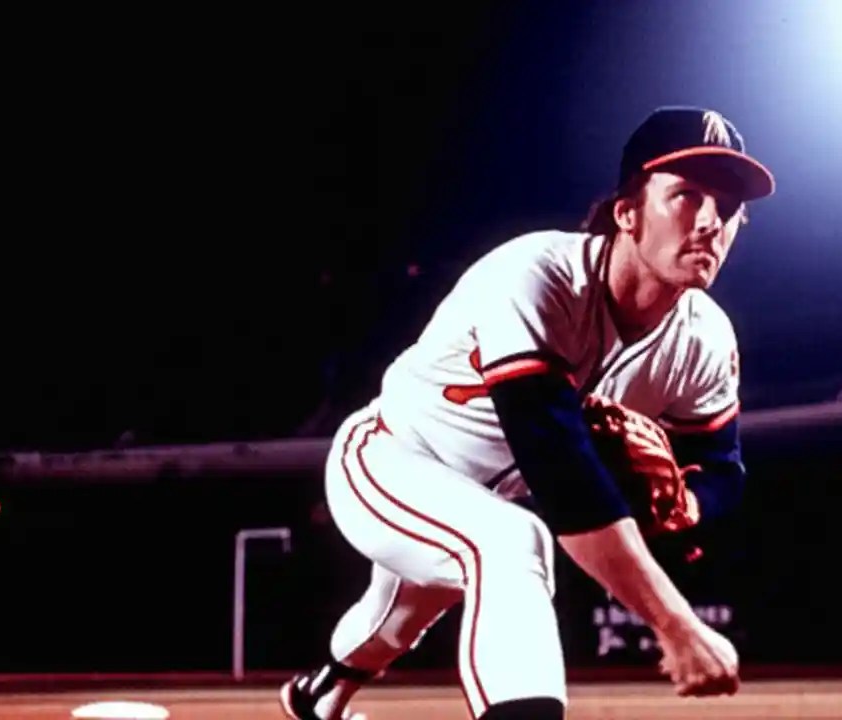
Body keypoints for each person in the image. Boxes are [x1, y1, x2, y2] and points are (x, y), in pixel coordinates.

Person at [279, 106, 775, 720]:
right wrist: (675, 624)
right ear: (627, 213)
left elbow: (721, 466)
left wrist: (688, 503)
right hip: (389, 459)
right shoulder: (538, 275)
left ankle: (319, 694)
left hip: (481, 497)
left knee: (391, 626)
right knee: (513, 543)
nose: (710, 222)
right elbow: (557, 464)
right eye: (686, 195)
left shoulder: (704, 337)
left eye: (728, 209)